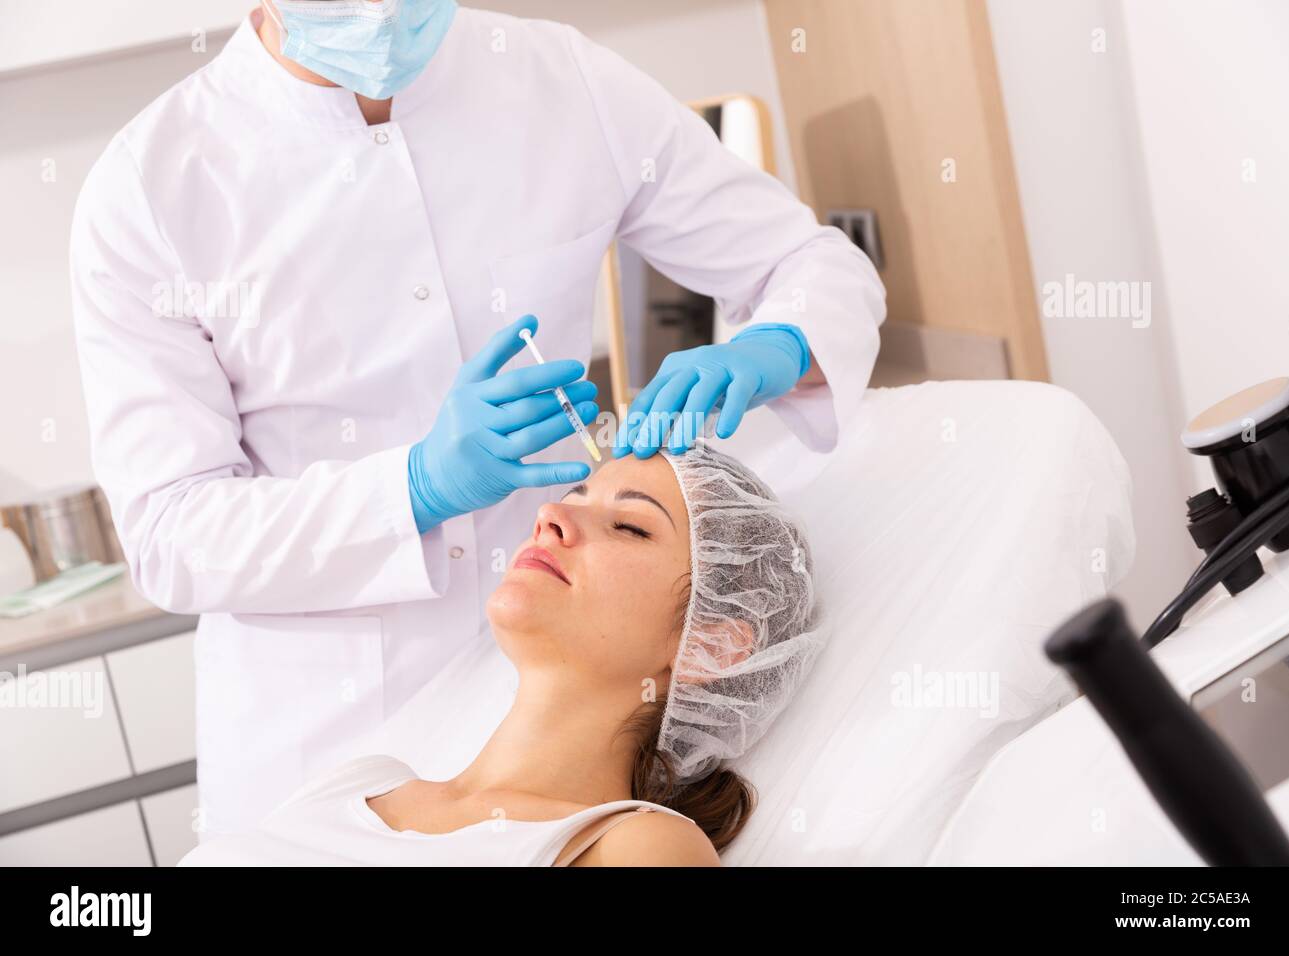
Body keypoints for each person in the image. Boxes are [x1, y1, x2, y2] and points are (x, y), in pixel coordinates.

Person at [69, 0, 883, 838]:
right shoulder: (150, 188)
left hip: (565, 727)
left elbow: (811, 264)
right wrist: (412, 489)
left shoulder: (563, 82)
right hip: (318, 736)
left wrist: (778, 343)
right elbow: (172, 534)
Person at [178, 442, 824, 865]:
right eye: (573, 499)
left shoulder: (632, 845)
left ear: (710, 643)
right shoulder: (361, 781)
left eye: (629, 525)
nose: (548, 516)